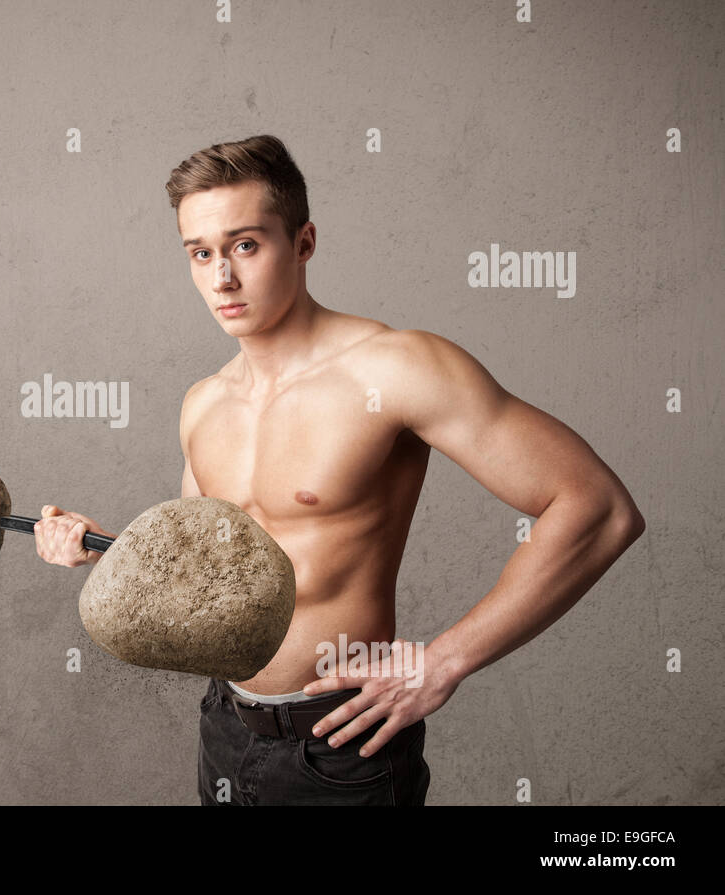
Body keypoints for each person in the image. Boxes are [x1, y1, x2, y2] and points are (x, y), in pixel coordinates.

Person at [33, 134, 645, 805]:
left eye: (245, 244)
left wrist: (446, 660)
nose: (222, 277)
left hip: (342, 747)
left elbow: (596, 506)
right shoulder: (203, 404)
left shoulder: (394, 367)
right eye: (200, 253)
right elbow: (205, 581)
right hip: (226, 733)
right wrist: (103, 550)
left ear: (303, 242)